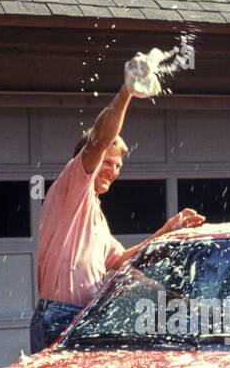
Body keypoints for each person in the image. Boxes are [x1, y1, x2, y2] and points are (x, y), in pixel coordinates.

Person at [30, 81, 205, 353]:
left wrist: (168, 230)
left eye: (118, 166)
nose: (113, 171)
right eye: (107, 162)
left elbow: (124, 261)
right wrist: (127, 93)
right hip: (60, 315)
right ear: (87, 158)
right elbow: (99, 140)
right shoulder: (73, 186)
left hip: (82, 316)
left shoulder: (95, 216)